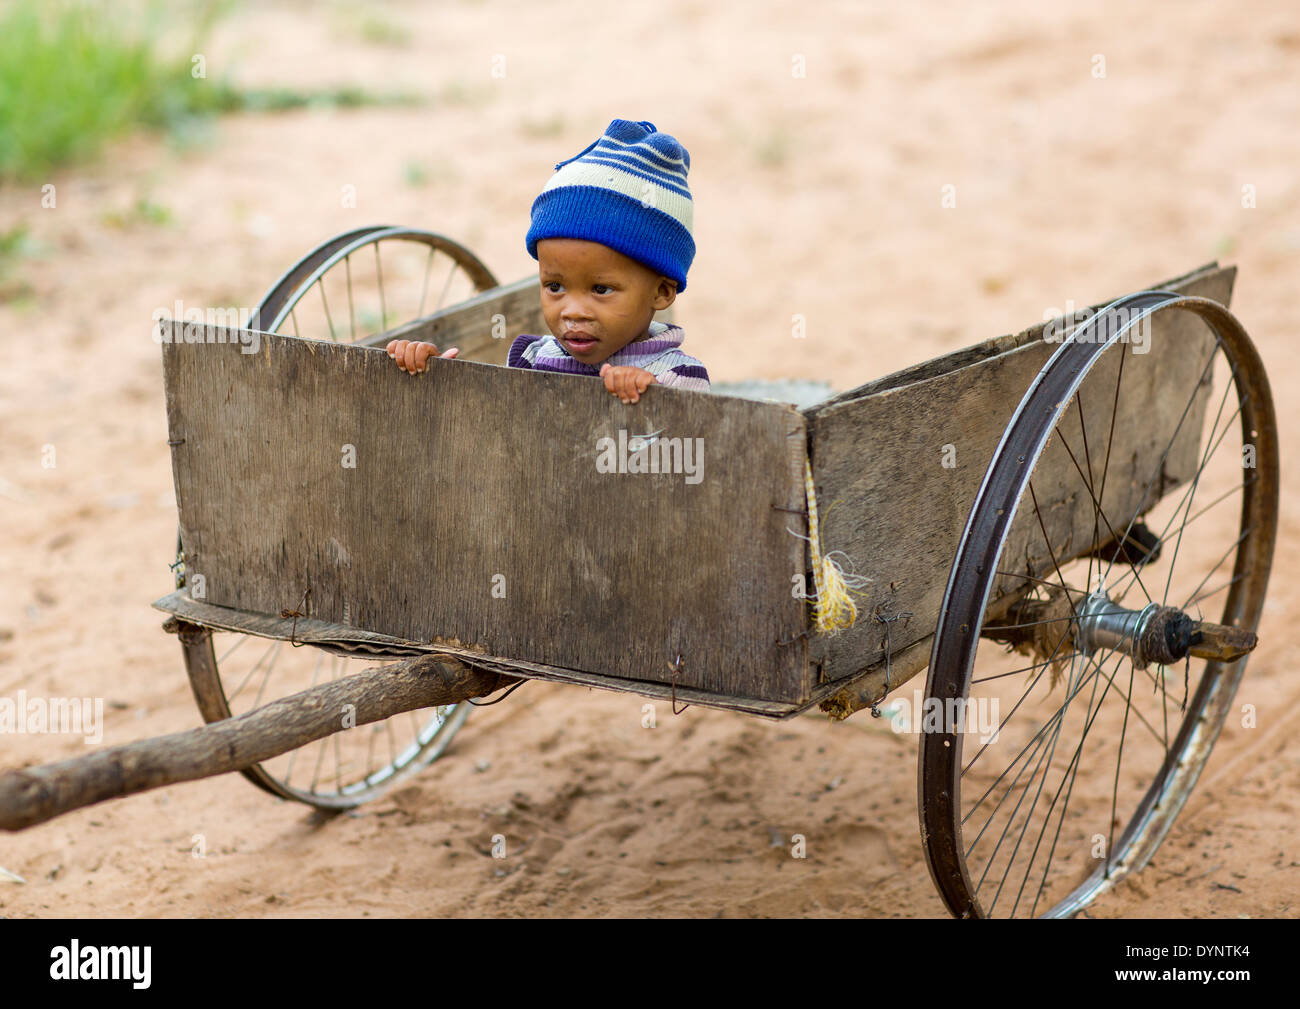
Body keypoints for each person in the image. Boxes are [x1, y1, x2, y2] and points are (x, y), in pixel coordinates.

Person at [386, 119, 709, 403]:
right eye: (555, 286)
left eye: (600, 289)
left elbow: (698, 449)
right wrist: (440, 374)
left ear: (662, 292)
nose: (572, 311)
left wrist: (656, 402)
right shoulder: (533, 358)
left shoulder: (678, 376)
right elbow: (493, 424)